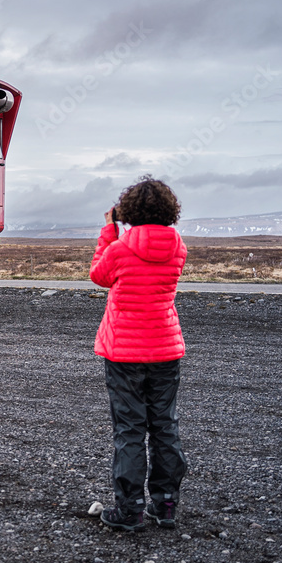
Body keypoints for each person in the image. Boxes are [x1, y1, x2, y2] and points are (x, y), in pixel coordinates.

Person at [90, 177, 188, 532]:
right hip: (165, 348)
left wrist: (108, 231)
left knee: (130, 430)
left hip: (124, 354)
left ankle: (129, 508)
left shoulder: (118, 247)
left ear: (127, 210)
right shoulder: (178, 248)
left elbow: (99, 276)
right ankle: (165, 505)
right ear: (168, 210)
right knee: (164, 426)